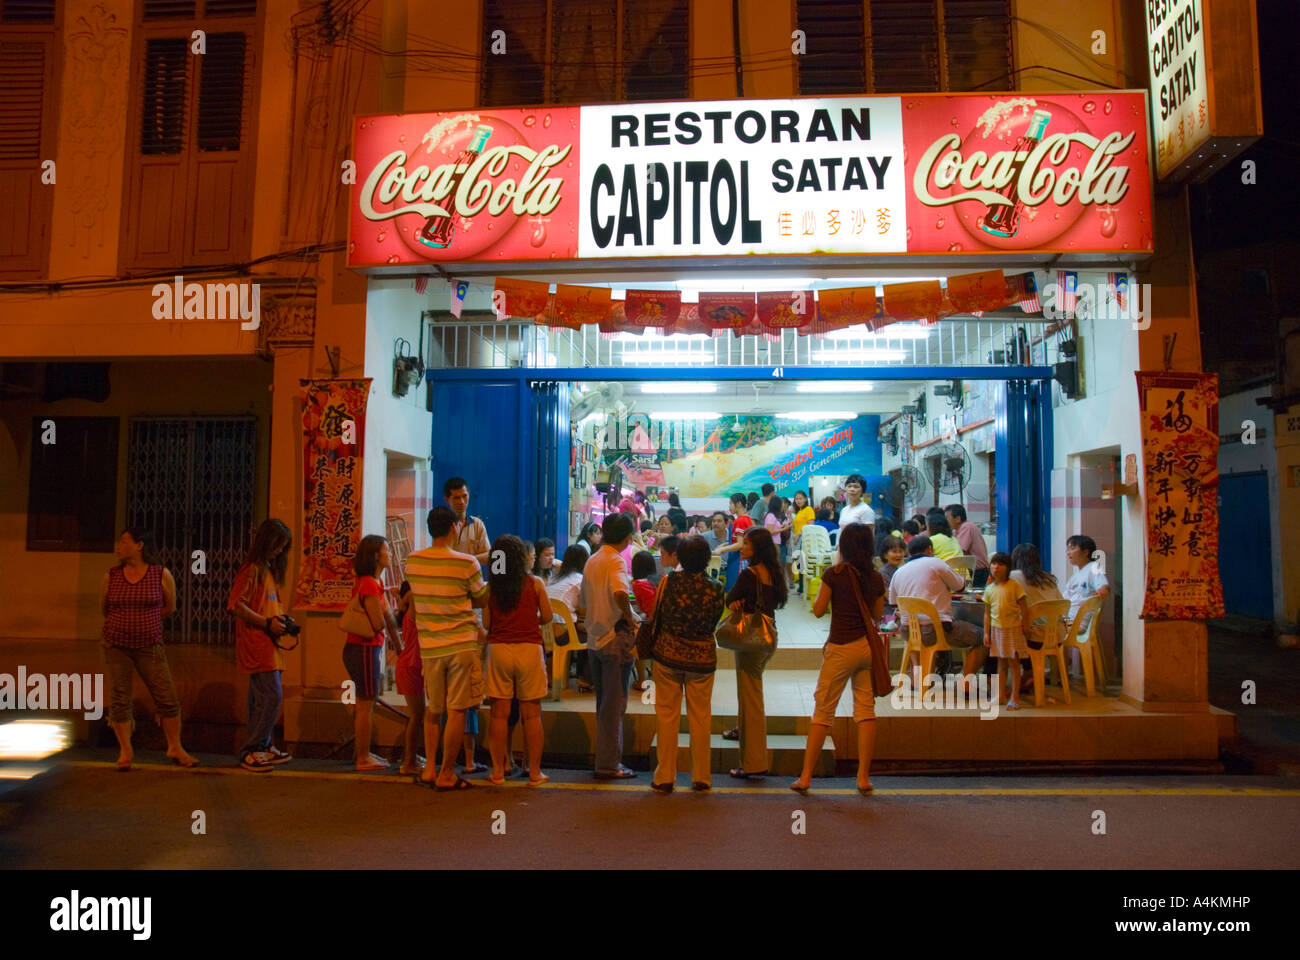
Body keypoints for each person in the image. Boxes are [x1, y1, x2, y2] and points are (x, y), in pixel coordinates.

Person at [792, 522, 883, 796]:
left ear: (843, 546)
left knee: (823, 712)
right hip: (866, 648)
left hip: (841, 647)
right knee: (865, 711)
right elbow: (877, 615)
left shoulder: (834, 574)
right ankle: (863, 777)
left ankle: (805, 777)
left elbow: (819, 609)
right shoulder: (876, 577)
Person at [406, 506, 489, 791]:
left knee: (433, 710)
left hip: (430, 646)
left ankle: (429, 768)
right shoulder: (467, 563)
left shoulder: (413, 561)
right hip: (461, 645)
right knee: (456, 710)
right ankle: (446, 774)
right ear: (454, 527)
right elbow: (481, 598)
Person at [100, 526, 196, 771]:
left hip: (150, 645)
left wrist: (146, 621)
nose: (119, 546)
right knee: (120, 697)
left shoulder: (160, 574)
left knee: (166, 696)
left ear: (139, 545)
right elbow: (105, 608)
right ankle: (125, 750)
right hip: (117, 645)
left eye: (124, 541)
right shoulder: (111, 575)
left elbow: (169, 607)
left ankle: (175, 746)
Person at [649, 535, 726, 793]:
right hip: (702, 659)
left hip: (667, 655)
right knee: (701, 717)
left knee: (666, 716)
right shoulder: (716, 588)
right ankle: (701, 776)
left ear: (680, 557)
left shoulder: (668, 582)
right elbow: (715, 620)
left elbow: (656, 614)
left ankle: (664, 776)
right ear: (707, 559)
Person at [482, 535, 552, 786]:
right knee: (531, 714)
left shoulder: (490, 588)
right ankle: (534, 772)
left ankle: (497, 772)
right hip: (529, 650)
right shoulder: (535, 583)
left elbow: (487, 623)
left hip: (499, 650)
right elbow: (547, 616)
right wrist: (529, 620)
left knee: (499, 714)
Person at [227, 518, 294, 772]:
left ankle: (262, 746)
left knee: (261, 698)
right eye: (278, 544)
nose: (280, 550)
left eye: (283, 546)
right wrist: (266, 623)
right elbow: (236, 605)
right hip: (257, 643)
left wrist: (282, 621)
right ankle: (253, 748)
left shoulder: (267, 570)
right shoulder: (252, 570)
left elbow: (268, 605)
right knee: (272, 696)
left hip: (269, 643)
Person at [579, 512, 640, 779]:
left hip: (595, 640)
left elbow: (582, 602)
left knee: (604, 704)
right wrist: (629, 616)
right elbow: (620, 592)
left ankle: (604, 760)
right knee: (614, 706)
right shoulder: (616, 560)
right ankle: (609, 765)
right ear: (628, 538)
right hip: (614, 639)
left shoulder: (592, 559)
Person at [724, 526, 787, 779]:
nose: (743, 546)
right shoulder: (774, 572)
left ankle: (754, 762)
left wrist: (735, 602)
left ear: (757, 547)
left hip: (749, 641)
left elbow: (729, 599)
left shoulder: (749, 574)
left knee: (751, 699)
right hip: (768, 638)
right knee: (750, 693)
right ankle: (743, 731)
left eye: (747, 543)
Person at [887, 534, 986, 678]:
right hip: (934, 631)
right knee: (983, 637)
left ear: (910, 552)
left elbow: (893, 603)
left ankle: (921, 678)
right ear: (929, 549)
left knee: (942, 627)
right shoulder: (936, 563)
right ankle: (966, 683)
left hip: (908, 632)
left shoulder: (899, 572)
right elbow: (960, 586)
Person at [343, 534, 402, 771]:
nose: (390, 553)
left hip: (362, 650)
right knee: (366, 704)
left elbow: (387, 621)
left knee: (365, 702)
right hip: (364, 649)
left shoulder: (373, 583)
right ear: (376, 556)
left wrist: (399, 647)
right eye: (387, 550)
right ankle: (363, 757)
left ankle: (363, 753)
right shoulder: (369, 584)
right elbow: (379, 623)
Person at [983, 552, 1031, 710]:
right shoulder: (989, 589)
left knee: (1014, 663)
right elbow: (987, 614)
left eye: (1001, 564)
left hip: (1013, 629)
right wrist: (986, 633)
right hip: (997, 630)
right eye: (994, 563)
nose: (996, 567)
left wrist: (1026, 625)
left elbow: (1024, 607)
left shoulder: (1014, 585)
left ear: (1008, 568)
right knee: (1001, 663)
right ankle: (1001, 695)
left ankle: (1014, 697)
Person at [547, 544, 592, 692]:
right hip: (562, 633)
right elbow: (585, 611)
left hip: (543, 632)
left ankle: (573, 676)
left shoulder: (554, 578)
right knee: (596, 634)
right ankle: (586, 679)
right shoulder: (580, 579)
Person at [394, 582, 426, 776]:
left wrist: (401, 600)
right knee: (417, 715)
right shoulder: (412, 614)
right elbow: (414, 593)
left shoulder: (409, 614)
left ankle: (412, 757)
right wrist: (403, 599)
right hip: (410, 666)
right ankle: (408, 762)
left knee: (417, 715)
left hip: (412, 665)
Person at [444, 476, 491, 565]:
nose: (461, 502)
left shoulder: (477, 524)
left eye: (464, 496)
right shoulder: (442, 524)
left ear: (469, 495)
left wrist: (464, 560)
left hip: (472, 573)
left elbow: (488, 555)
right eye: (456, 498)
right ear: (447, 499)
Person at [1064, 534, 1110, 624]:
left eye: (1072, 548)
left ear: (1085, 552)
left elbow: (1104, 587)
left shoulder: (1094, 567)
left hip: (1077, 622)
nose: (1068, 553)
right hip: (1066, 619)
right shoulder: (1073, 578)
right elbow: (1063, 600)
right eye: (1068, 549)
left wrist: (1101, 591)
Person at [630, 549, 659, 692]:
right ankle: (656, 678)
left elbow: (643, 608)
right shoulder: (660, 579)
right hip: (664, 622)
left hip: (651, 622)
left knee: (638, 646)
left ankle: (641, 680)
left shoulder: (637, 584)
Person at [946, 504, 990, 587]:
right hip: (973, 571)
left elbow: (960, 551)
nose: (946, 521)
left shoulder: (966, 527)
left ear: (958, 519)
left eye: (948, 518)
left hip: (977, 572)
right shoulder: (958, 530)